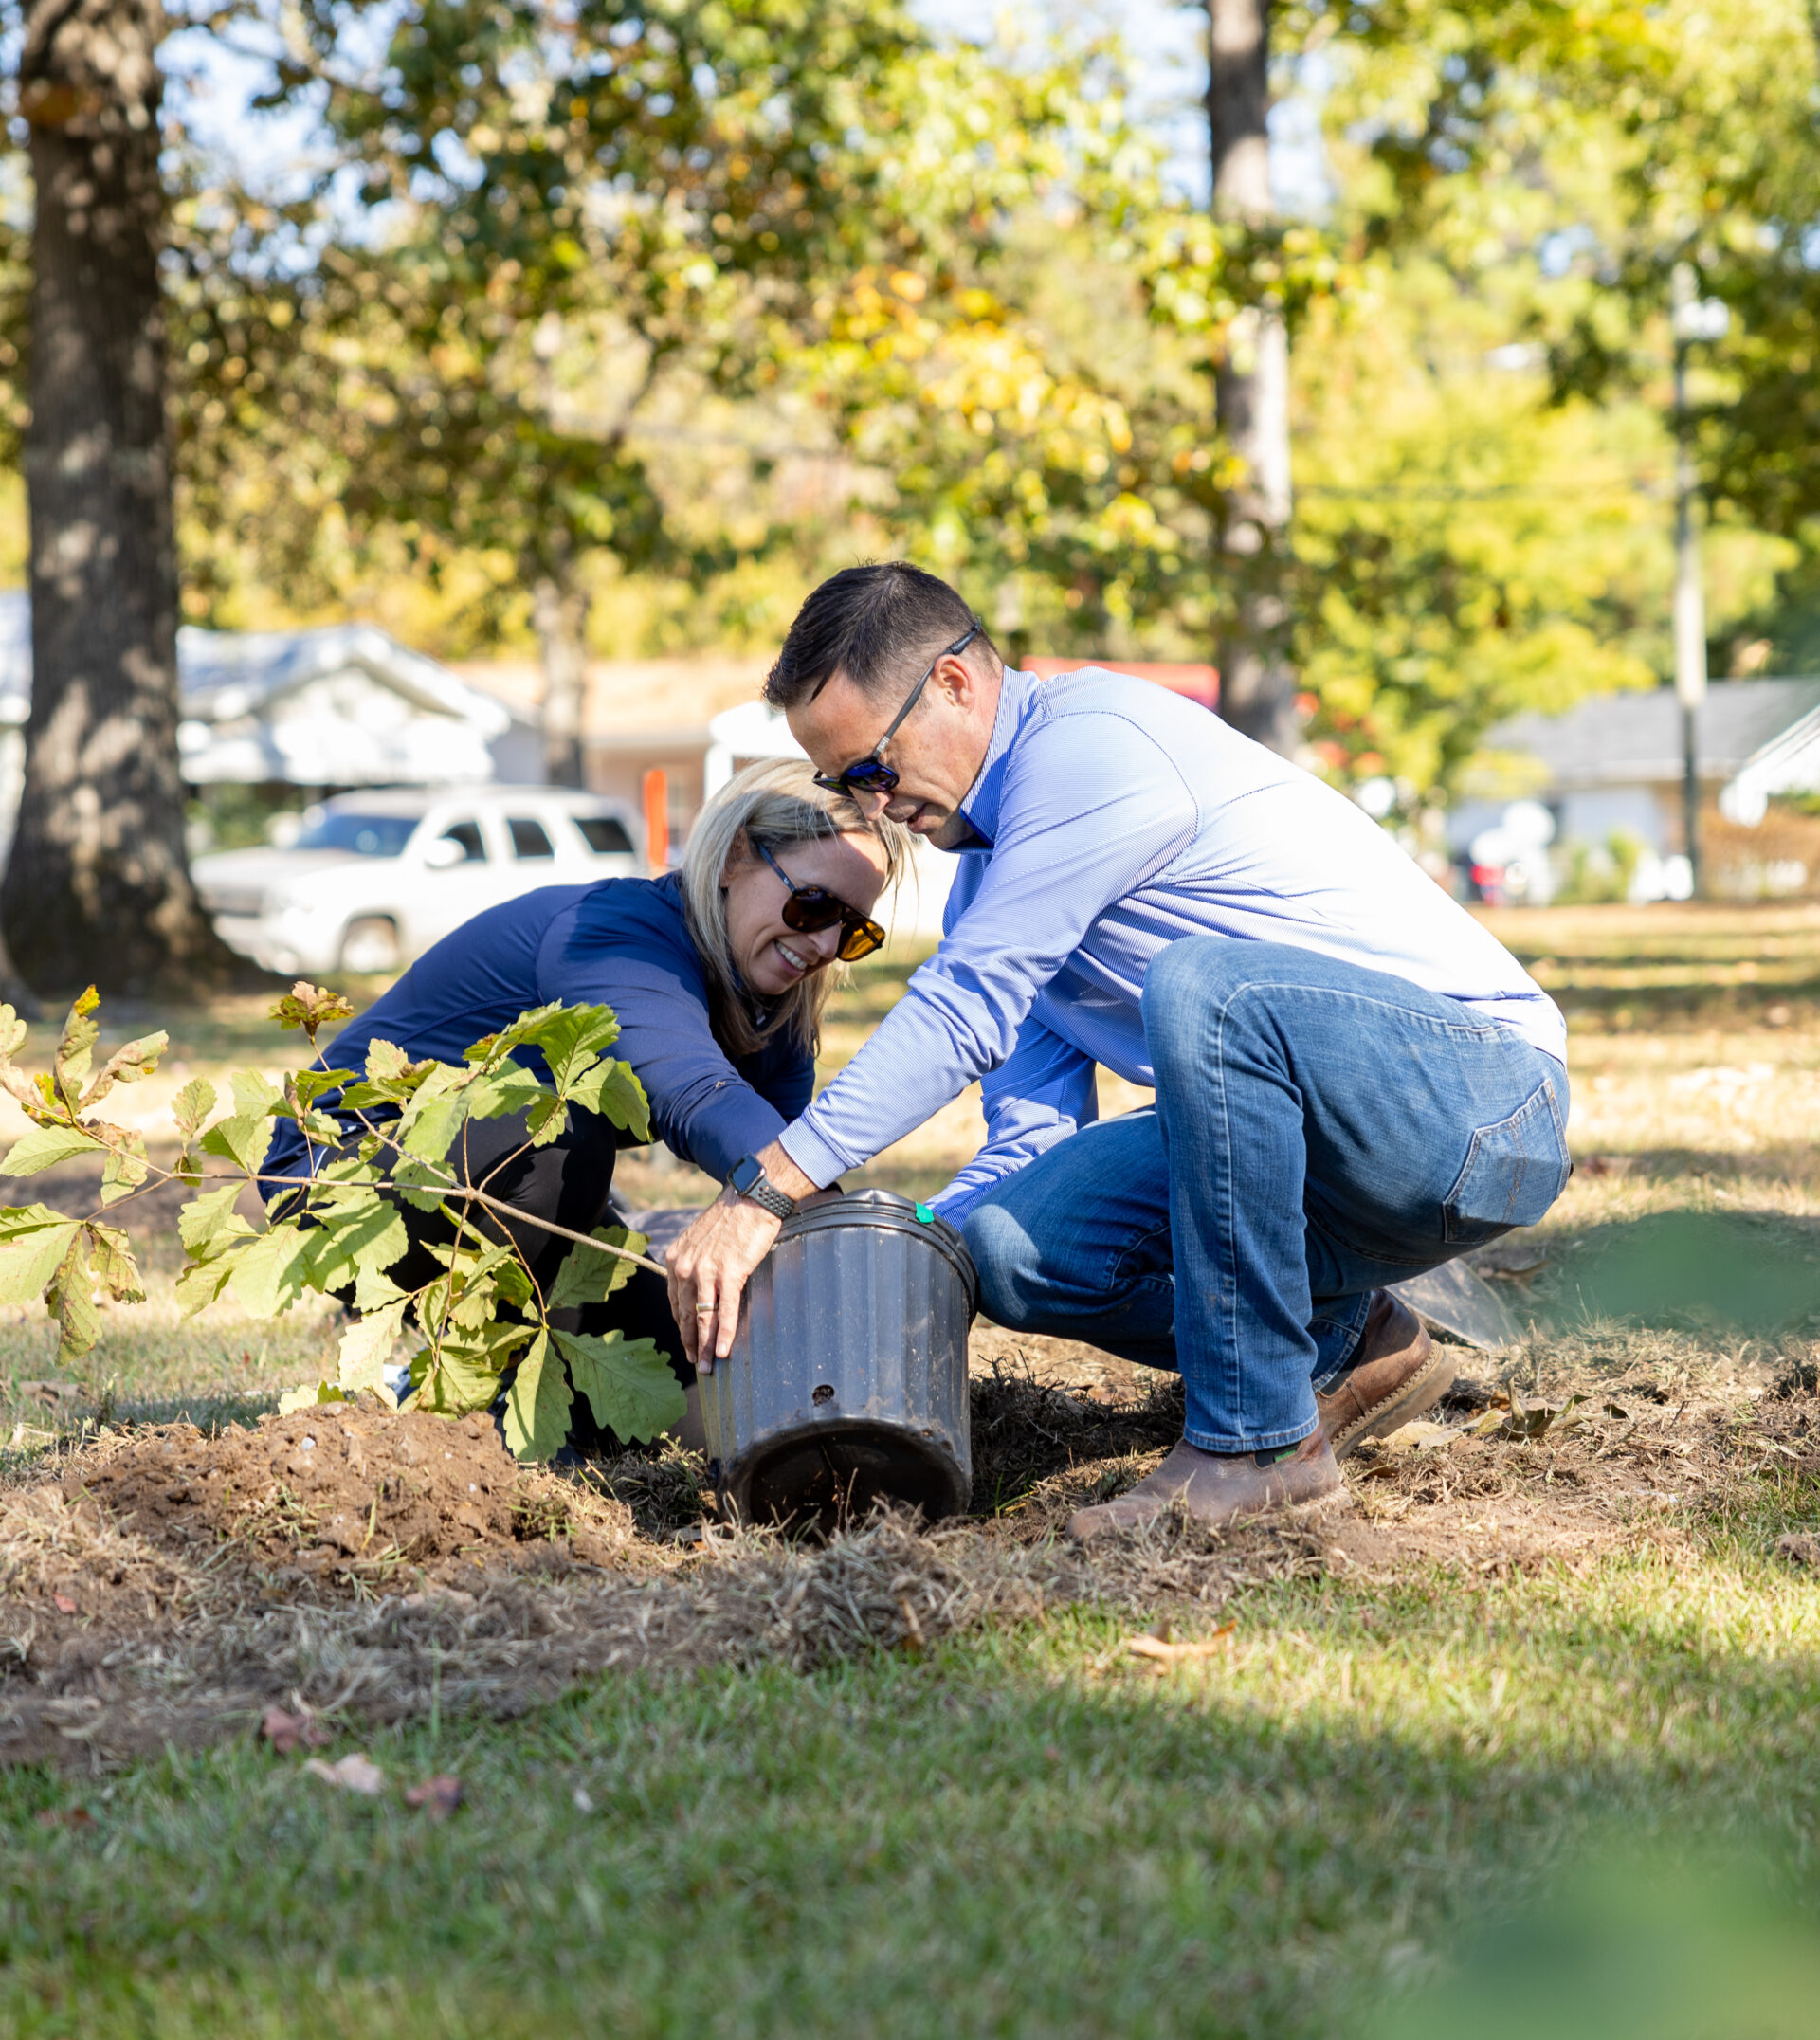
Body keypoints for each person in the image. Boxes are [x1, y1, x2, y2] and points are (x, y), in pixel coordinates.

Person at [664, 563, 1571, 1537]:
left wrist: (766, 1189)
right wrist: (882, 1259)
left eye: (875, 769)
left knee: (1209, 990)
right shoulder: (995, 889)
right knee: (1005, 1244)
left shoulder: (1094, 749)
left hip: (1479, 1104)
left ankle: (1256, 1447)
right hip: (1324, 1161)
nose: (874, 807)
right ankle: (1351, 1345)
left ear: (957, 684)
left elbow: (964, 1009)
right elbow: (1028, 1149)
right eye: (844, 784)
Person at [264, 761, 901, 1437]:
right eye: (814, 904)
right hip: (342, 1179)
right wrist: (854, 1238)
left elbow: (789, 1169)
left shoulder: (772, 1004)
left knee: (702, 1405)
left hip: (525, 1194)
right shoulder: (615, 935)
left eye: (855, 930)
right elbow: (701, 1102)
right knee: (561, 1134)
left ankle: (512, 1406)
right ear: (736, 857)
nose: (826, 942)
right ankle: (490, 1410)